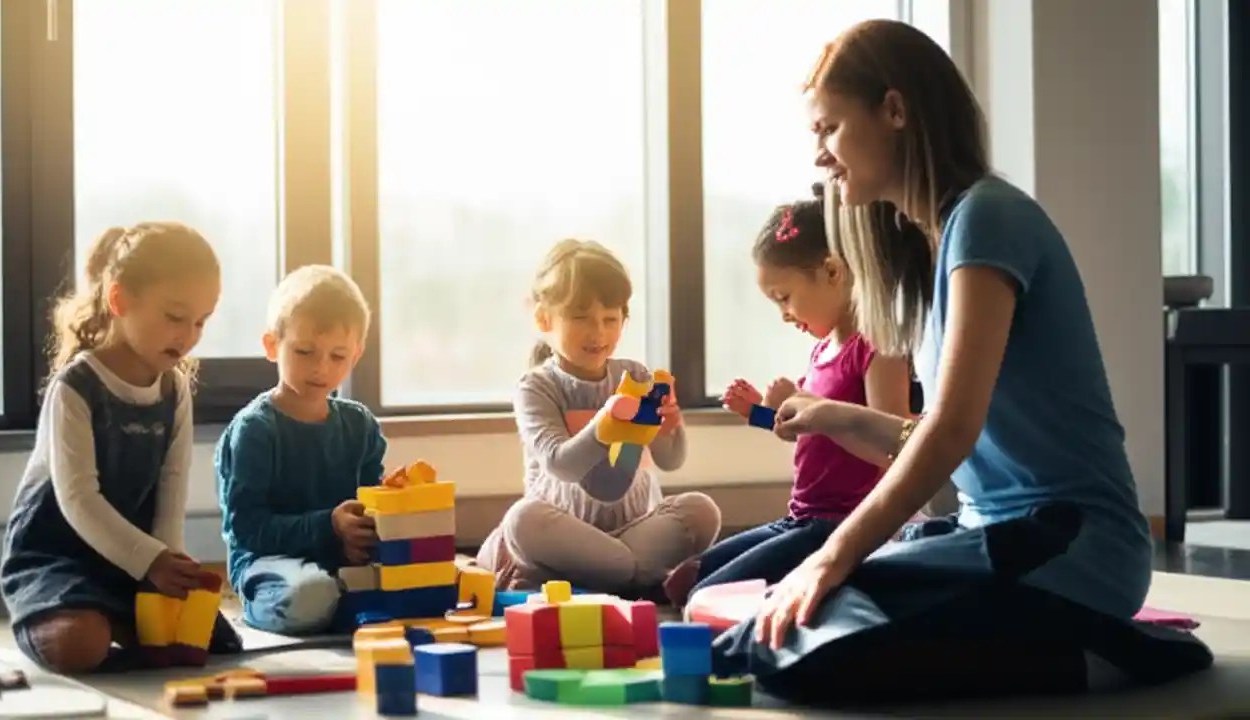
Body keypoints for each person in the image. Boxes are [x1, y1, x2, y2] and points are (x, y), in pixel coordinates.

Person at [752, 18, 1153, 651]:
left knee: (827, 621)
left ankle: (1125, 660)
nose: (819, 153)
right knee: (780, 619)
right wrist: (836, 416)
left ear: (893, 110)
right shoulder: (938, 245)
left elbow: (951, 432)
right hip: (990, 533)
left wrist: (833, 554)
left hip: (1073, 544)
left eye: (829, 128)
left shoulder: (987, 217)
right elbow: (953, 438)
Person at [0, 222, 235, 673]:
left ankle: (119, 619)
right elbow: (78, 500)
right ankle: (82, 621)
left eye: (201, 322)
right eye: (174, 317)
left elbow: (171, 487)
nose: (188, 336)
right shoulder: (76, 386)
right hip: (57, 558)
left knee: (210, 642)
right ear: (119, 300)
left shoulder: (175, 388)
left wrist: (168, 568)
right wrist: (151, 561)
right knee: (80, 645)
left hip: (131, 565)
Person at [662, 197, 911, 606]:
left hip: (839, 525)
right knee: (684, 580)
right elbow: (804, 433)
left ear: (833, 272)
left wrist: (807, 403)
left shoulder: (878, 348)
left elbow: (896, 450)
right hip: (798, 518)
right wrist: (761, 414)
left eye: (784, 297)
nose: (784, 314)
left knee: (707, 597)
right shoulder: (822, 350)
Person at [476, 239, 721, 594]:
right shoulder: (537, 387)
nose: (599, 333)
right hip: (567, 535)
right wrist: (607, 420)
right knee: (521, 520)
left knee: (702, 510)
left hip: (636, 529)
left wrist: (671, 427)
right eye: (581, 318)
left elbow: (670, 461)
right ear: (544, 319)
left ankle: (610, 574)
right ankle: (639, 577)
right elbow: (562, 465)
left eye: (611, 319)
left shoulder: (635, 374)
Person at [215, 265, 386, 635]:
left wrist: (365, 536)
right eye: (305, 351)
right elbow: (246, 529)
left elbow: (374, 504)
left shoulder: (360, 426)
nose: (320, 368)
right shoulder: (256, 429)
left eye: (337, 356)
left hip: (341, 563)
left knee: (436, 583)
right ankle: (269, 606)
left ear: (356, 355)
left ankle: (344, 602)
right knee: (310, 595)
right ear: (272, 346)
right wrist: (329, 525)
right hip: (270, 563)